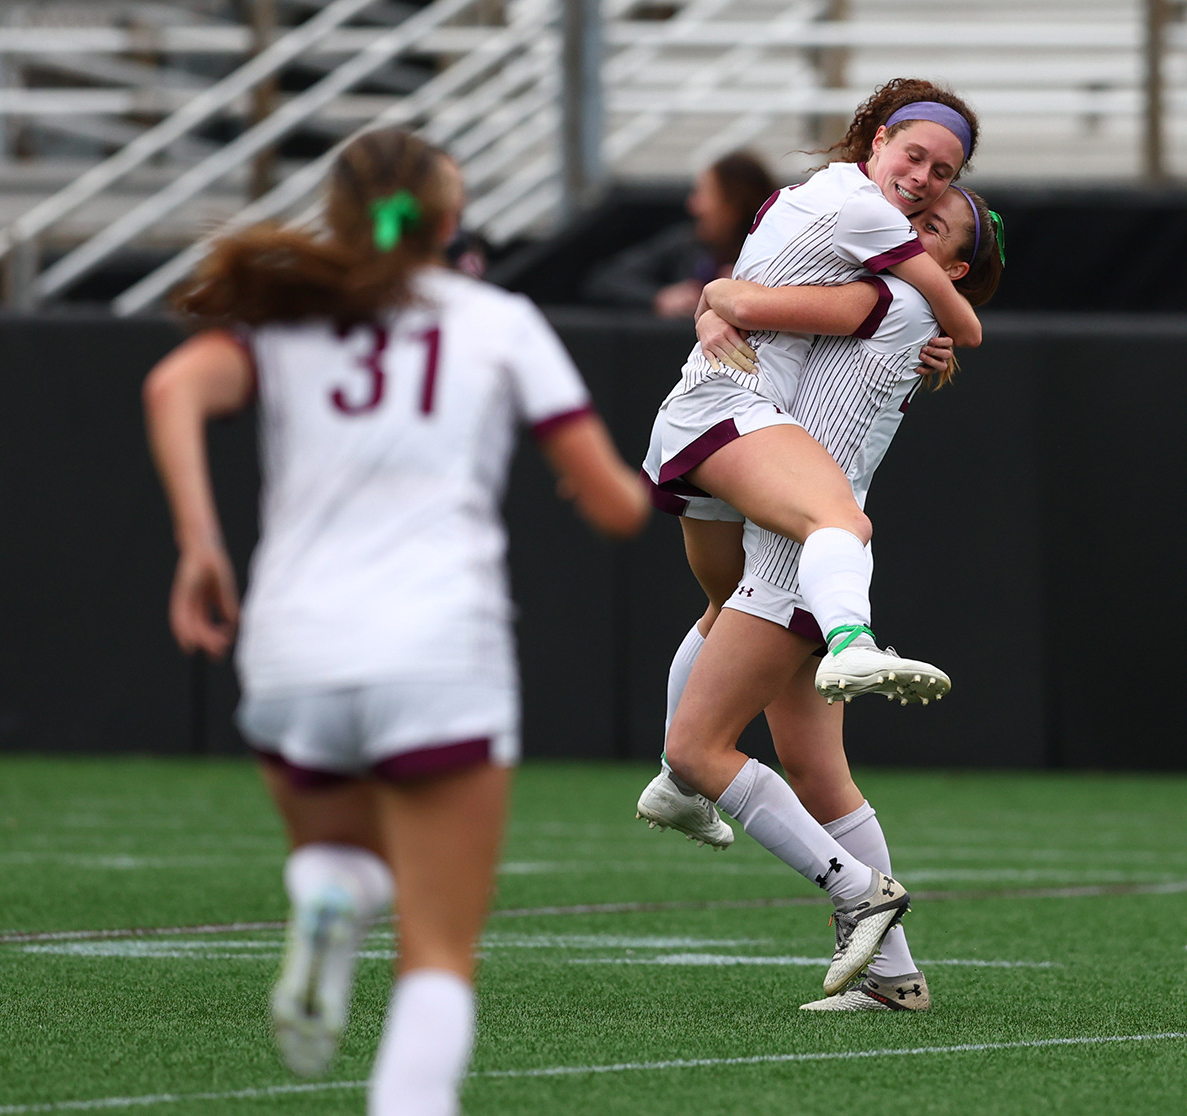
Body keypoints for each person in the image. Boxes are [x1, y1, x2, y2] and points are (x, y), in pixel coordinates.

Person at [143, 129, 647, 1116]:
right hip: (436, 652)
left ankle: (326, 894)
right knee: (437, 953)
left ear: (337, 218)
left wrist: (199, 544)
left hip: (290, 653)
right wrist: (600, 488)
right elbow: (617, 506)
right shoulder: (496, 320)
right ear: (449, 223)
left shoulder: (283, 323)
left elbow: (172, 389)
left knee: (341, 857)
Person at [638, 183, 1003, 1010]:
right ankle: (894, 977)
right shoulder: (905, 307)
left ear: (949, 267)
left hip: (794, 564)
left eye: (930, 228)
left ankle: (856, 890)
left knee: (701, 749)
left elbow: (752, 300)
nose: (904, 227)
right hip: (802, 550)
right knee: (818, 773)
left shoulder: (886, 295)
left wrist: (718, 299)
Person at [581, 150, 777, 316]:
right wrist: (660, 297)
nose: (692, 206)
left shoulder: (776, 254)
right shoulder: (686, 244)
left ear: (734, 204)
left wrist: (754, 287)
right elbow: (605, 280)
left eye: (703, 194)